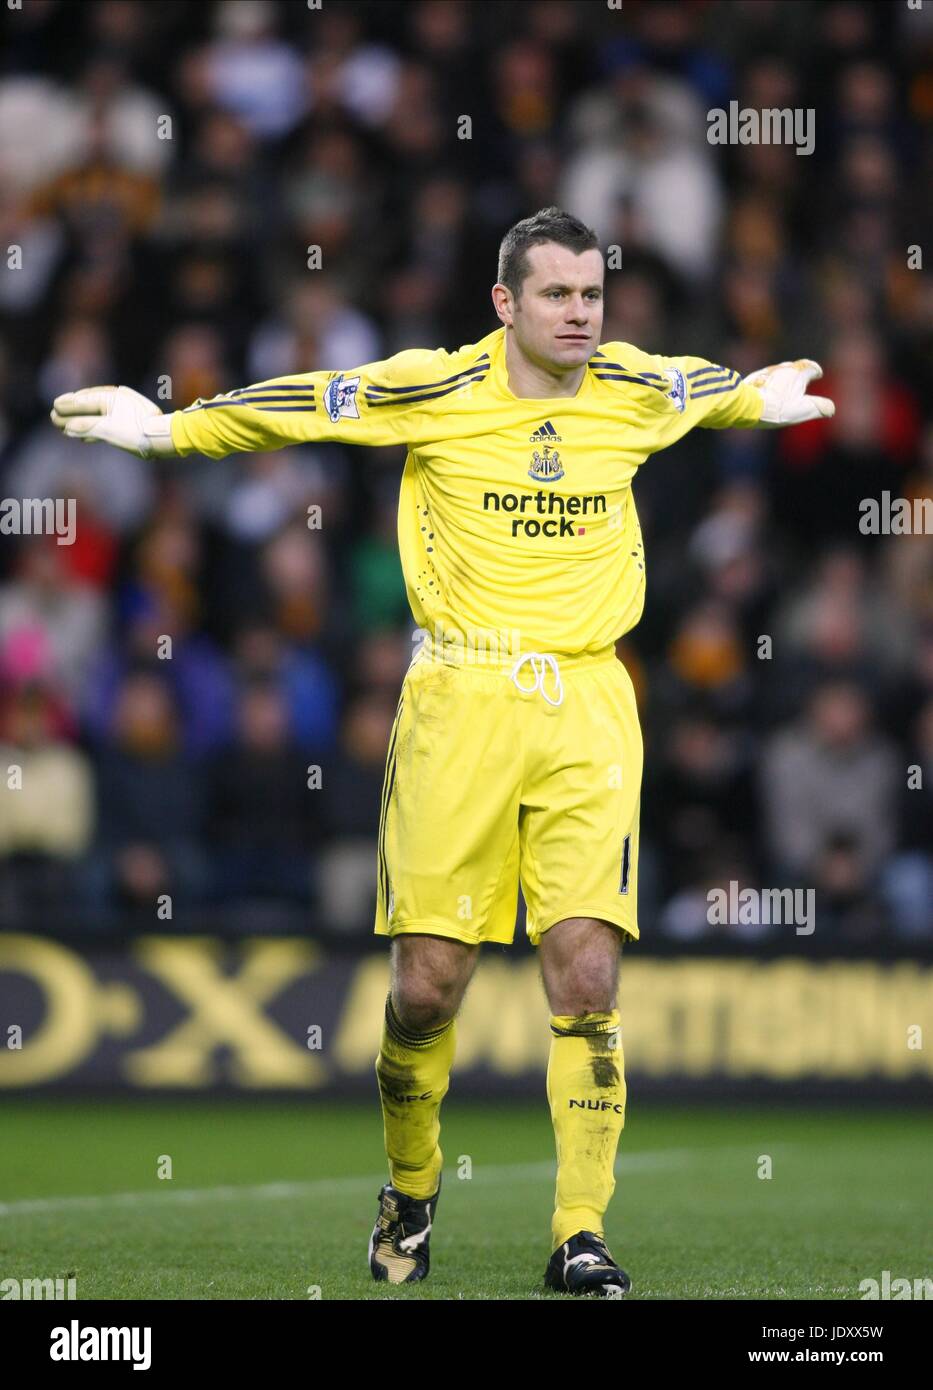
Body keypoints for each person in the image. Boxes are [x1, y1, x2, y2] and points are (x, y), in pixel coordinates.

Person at [51, 206, 834, 1297]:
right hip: (459, 699)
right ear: (507, 303)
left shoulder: (629, 387)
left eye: (592, 295)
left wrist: (760, 396)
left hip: (591, 698)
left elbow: (698, 386)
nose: (580, 315)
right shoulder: (436, 389)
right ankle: (411, 1190)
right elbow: (307, 406)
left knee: (589, 968)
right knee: (427, 989)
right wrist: (170, 428)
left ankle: (579, 1232)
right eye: (557, 296)